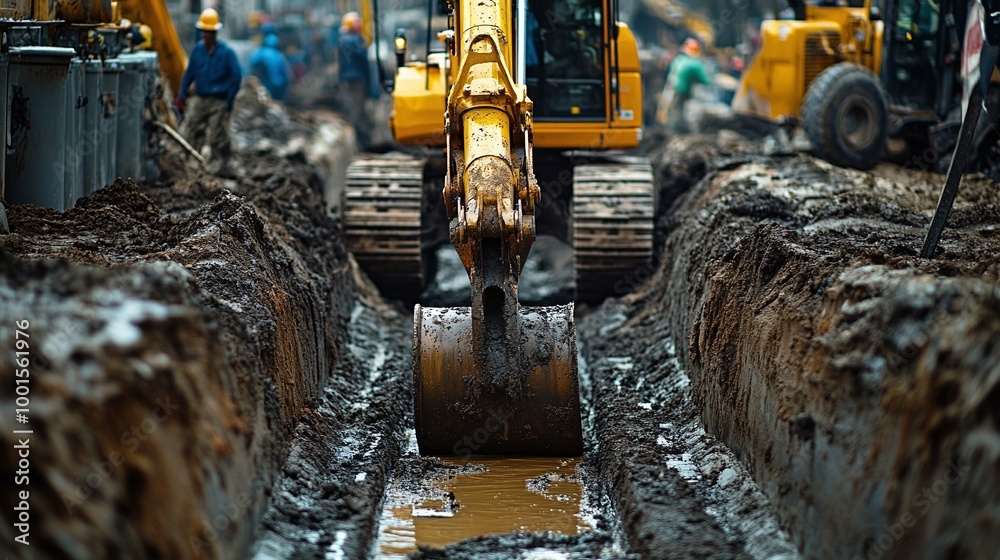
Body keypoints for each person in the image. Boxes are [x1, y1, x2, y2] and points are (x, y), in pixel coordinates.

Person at [175, 9, 244, 175]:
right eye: (204, 32)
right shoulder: (198, 50)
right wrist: (182, 94)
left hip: (219, 100)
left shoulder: (226, 53)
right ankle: (190, 163)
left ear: (215, 33)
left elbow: (236, 77)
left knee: (218, 136)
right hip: (200, 97)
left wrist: (229, 101)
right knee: (190, 129)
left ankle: (218, 167)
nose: (206, 35)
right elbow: (189, 73)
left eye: (209, 32)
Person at [661, 38, 711, 134]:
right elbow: (705, 80)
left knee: (673, 111)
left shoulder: (678, 59)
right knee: (679, 112)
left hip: (671, 88)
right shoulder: (695, 63)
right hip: (681, 90)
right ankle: (678, 132)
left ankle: (672, 131)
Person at [337, 11, 372, 149]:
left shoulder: (342, 40)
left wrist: (342, 78)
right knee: (358, 109)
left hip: (348, 79)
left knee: (353, 107)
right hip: (358, 78)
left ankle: (358, 139)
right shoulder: (356, 40)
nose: (360, 24)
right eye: (357, 22)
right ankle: (360, 140)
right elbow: (363, 57)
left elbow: (341, 62)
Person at [249, 33, 292, 101]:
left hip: (259, 83)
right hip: (275, 83)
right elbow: (284, 73)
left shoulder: (258, 51)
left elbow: (251, 64)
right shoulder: (278, 55)